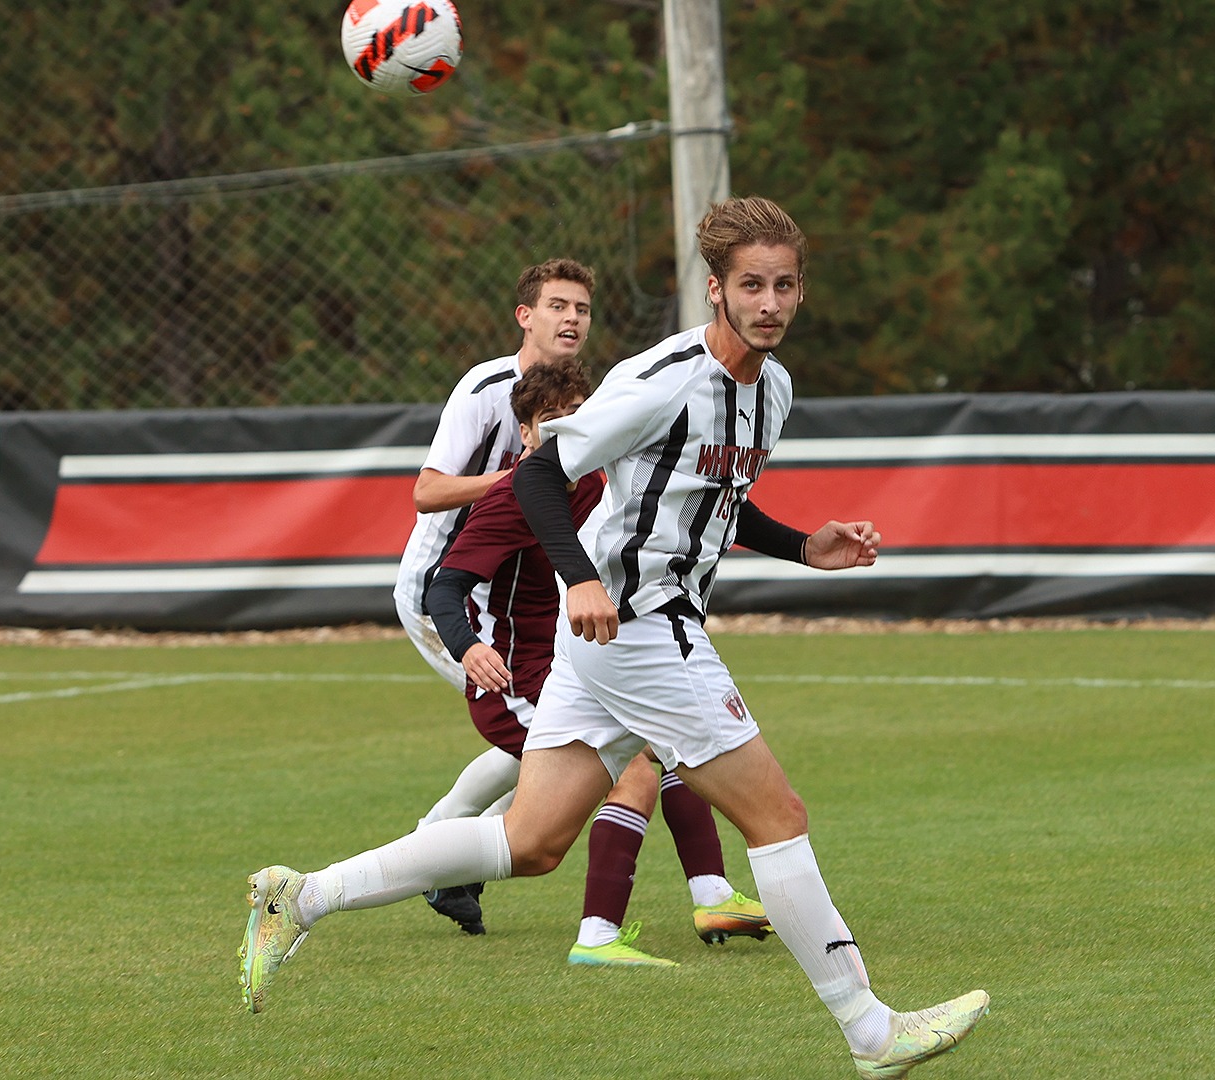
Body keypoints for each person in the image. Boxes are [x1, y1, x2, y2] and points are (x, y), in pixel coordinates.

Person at [241, 197, 988, 1078]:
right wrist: (584, 578)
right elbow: (539, 480)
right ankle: (871, 1032)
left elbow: (710, 496)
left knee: (530, 841)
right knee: (777, 816)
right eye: (751, 285)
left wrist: (801, 547)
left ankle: (304, 895)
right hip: (638, 626)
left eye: (785, 284)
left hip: (619, 633)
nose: (771, 302)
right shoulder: (664, 376)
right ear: (716, 290)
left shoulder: (773, 390)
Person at [422, 360, 771, 965]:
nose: (566, 431)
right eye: (549, 422)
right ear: (526, 435)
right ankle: (596, 935)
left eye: (577, 418)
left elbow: (712, 508)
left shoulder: (603, 479)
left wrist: (801, 545)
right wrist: (469, 648)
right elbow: (443, 586)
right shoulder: (514, 494)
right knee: (631, 768)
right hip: (513, 675)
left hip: (579, 660)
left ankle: (710, 895)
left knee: (659, 742)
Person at [391, 258, 596, 935]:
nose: (571, 318)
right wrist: (522, 482)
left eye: (582, 308)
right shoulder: (486, 388)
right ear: (525, 316)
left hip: (518, 601)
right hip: (448, 593)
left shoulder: (575, 400)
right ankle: (439, 850)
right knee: (545, 731)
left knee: (543, 727)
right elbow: (426, 490)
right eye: (557, 305)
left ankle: (443, 848)